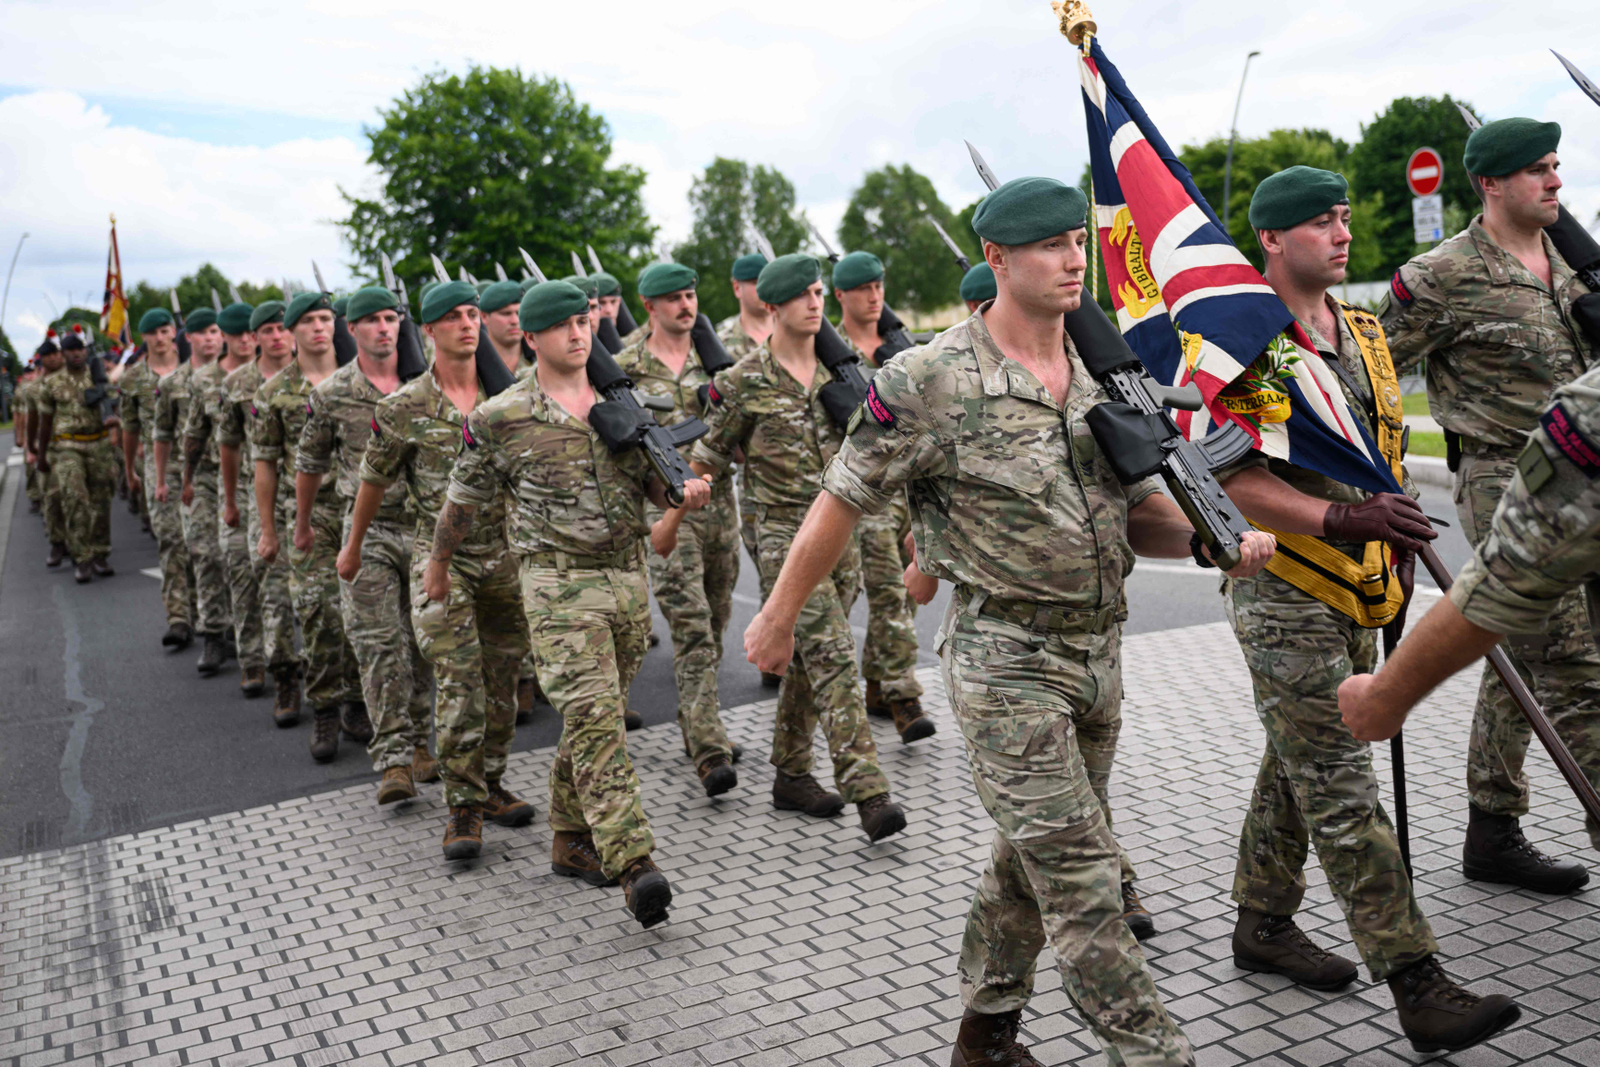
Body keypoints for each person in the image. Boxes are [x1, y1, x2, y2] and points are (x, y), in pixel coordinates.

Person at [743, 178, 1277, 1067]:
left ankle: (984, 1038)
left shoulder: (1105, 371)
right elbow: (841, 496)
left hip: (1098, 653)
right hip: (1004, 661)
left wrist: (1212, 537)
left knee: (1028, 858)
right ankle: (1155, 1052)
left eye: (1078, 241)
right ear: (996, 260)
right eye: (1051, 247)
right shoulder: (929, 378)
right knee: (1082, 879)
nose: (1075, 260)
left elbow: (1135, 511)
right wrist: (778, 615)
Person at [1198, 166, 1518, 1053]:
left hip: (1361, 580)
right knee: (1339, 777)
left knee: (1296, 754)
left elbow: (1379, 450)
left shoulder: (1366, 333)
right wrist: (1340, 517)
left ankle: (1261, 921)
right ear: (1270, 239)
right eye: (1319, 223)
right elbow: (1231, 477)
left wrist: (1387, 540)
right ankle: (1416, 982)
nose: (1341, 235)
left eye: (1343, 219)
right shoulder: (1246, 345)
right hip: (1283, 586)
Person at [430, 280, 712, 928]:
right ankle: (634, 860)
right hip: (556, 585)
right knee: (595, 716)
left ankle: (568, 836)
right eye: (561, 326)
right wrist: (440, 564)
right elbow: (462, 501)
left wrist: (680, 493)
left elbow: (650, 483)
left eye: (583, 321)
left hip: (624, 579)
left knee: (597, 715)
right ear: (531, 338)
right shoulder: (500, 417)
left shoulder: (621, 403)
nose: (578, 333)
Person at [1383, 117, 1599, 893]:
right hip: (1508, 483)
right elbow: (1371, 374)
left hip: (1592, 478)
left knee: (1520, 650)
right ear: (1490, 183)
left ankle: (1491, 825)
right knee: (1571, 661)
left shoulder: (1576, 264)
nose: (1556, 181)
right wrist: (1381, 480)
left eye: (1556, 165)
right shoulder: (1442, 275)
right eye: (1539, 169)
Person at [689, 253, 908, 842]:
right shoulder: (742, 382)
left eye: (818, 292)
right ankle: (869, 790)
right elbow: (706, 460)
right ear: (772, 307)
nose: (816, 302)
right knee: (833, 652)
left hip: (845, 532)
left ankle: (790, 773)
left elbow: (880, 453)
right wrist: (681, 507)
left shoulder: (847, 373)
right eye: (804, 295)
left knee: (810, 665)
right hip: (784, 537)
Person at [355, 280, 533, 859]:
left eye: (473, 313)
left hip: (507, 557)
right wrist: (351, 547)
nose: (468, 323)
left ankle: (493, 783)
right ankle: (462, 806)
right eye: (453, 317)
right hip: (441, 566)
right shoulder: (403, 408)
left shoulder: (510, 397)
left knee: (504, 680)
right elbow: (372, 481)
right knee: (460, 684)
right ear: (427, 330)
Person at [1343, 362, 1600, 737]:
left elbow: (1506, 583)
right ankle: (1495, 794)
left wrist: (1382, 700)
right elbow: (1369, 370)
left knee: (1562, 671)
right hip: (1493, 476)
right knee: (1534, 657)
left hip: (1545, 511)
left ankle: (1496, 792)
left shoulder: (1589, 411)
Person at [298, 288, 435, 799]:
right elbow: (309, 464)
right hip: (367, 533)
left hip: (423, 530)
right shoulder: (331, 394)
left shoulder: (426, 386)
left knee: (423, 645)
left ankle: (421, 742)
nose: (384, 328)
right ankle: (394, 758)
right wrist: (304, 526)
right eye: (372, 320)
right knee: (378, 645)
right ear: (350, 329)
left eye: (391, 318)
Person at [618, 262, 742, 795]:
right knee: (690, 624)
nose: (685, 306)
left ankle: (701, 717)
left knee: (716, 618)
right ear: (649, 306)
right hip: (664, 507)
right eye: (672, 299)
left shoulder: (715, 362)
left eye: (690, 295)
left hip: (721, 503)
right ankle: (709, 746)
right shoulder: (623, 368)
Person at [252, 296, 365, 761]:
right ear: (291, 331)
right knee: (320, 614)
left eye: (326, 319)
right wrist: (268, 530)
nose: (319, 327)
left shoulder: (364, 379)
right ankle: (324, 705)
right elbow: (265, 467)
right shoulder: (274, 393)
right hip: (310, 520)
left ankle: (359, 698)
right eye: (308, 321)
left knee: (366, 613)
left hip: (364, 513)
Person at [831, 250, 933, 743]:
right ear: (840, 297)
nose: (874, 297)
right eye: (863, 289)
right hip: (863, 491)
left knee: (906, 593)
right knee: (890, 590)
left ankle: (876, 683)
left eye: (879, 286)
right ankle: (902, 694)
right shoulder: (829, 353)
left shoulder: (899, 347)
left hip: (908, 489)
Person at [217, 302, 305, 724]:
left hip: (317, 502)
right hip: (266, 499)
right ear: (254, 337)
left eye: (281, 329)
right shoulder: (238, 385)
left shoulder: (320, 377)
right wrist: (232, 499)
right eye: (266, 330)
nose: (276, 337)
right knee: (272, 591)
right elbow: (229, 446)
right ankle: (285, 675)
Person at [187, 302, 268, 697]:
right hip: (225, 484)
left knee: (276, 578)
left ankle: (281, 654)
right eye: (237, 335)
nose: (246, 340)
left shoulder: (281, 375)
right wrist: (185, 481)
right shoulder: (207, 381)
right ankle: (244, 654)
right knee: (233, 566)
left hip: (277, 490)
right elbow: (195, 434)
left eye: (251, 333)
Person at [156, 307, 233, 675]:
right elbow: (163, 434)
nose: (209, 338)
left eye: (215, 331)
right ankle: (214, 632)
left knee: (241, 556)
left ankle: (242, 629)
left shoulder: (240, 375)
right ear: (188, 337)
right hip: (200, 477)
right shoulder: (174, 384)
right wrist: (165, 479)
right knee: (205, 552)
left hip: (240, 476)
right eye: (201, 332)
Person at [715, 252, 777, 686]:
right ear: (737, 287)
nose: (759, 287)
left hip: (801, 470)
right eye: (751, 281)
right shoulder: (719, 339)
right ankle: (777, 651)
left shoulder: (794, 329)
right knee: (770, 566)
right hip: (751, 479)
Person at [122, 309, 193, 644]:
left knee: (202, 541)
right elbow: (130, 428)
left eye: (167, 330)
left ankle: (208, 610)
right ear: (145, 337)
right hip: (158, 465)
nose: (162, 338)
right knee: (169, 536)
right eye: (155, 333)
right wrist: (129, 470)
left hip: (198, 463)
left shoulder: (194, 368)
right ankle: (179, 616)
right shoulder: (133, 379)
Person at [31, 330, 118, 583]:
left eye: (81, 349)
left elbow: (114, 407)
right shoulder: (52, 383)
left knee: (101, 500)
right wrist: (41, 454)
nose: (78, 354)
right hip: (68, 447)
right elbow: (45, 422)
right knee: (75, 500)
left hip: (99, 444)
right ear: (64, 353)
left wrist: (113, 417)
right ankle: (82, 558)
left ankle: (101, 553)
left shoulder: (98, 376)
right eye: (72, 350)